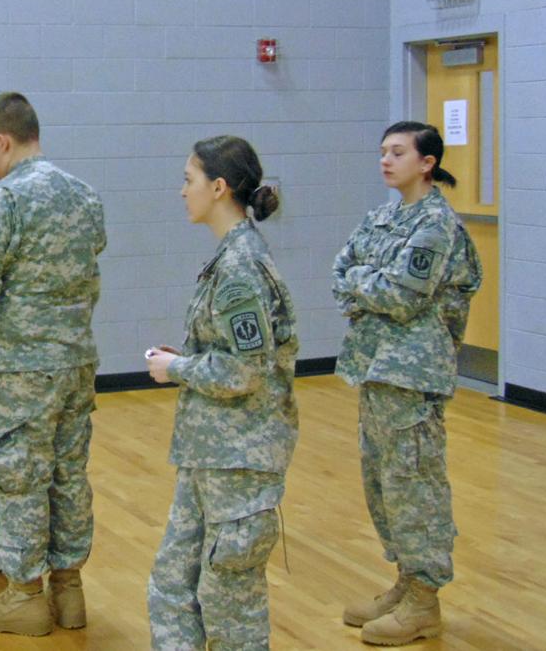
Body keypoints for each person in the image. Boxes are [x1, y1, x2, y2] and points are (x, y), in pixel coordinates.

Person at [0, 91, 106, 637]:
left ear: (3, 141)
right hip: (75, 362)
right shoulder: (84, 195)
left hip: (18, 368)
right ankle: (69, 590)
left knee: (17, 477)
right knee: (66, 474)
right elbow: (90, 279)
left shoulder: (3, 200)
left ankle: (24, 596)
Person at [144, 135, 298, 651]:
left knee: (229, 599)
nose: (180, 191)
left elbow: (244, 372)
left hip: (239, 458)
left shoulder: (239, 269)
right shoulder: (230, 256)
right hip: (210, 453)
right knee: (173, 584)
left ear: (218, 187)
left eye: (188, 181)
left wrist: (178, 368)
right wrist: (184, 360)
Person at [333, 121, 481, 646]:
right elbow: (340, 269)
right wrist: (366, 283)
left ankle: (425, 600)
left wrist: (365, 286)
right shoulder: (384, 217)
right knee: (383, 482)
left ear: (427, 163)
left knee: (413, 484)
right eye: (382, 152)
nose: (385, 161)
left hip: (413, 374)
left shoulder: (436, 226)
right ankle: (406, 581)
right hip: (376, 366)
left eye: (398, 152)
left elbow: (402, 296)